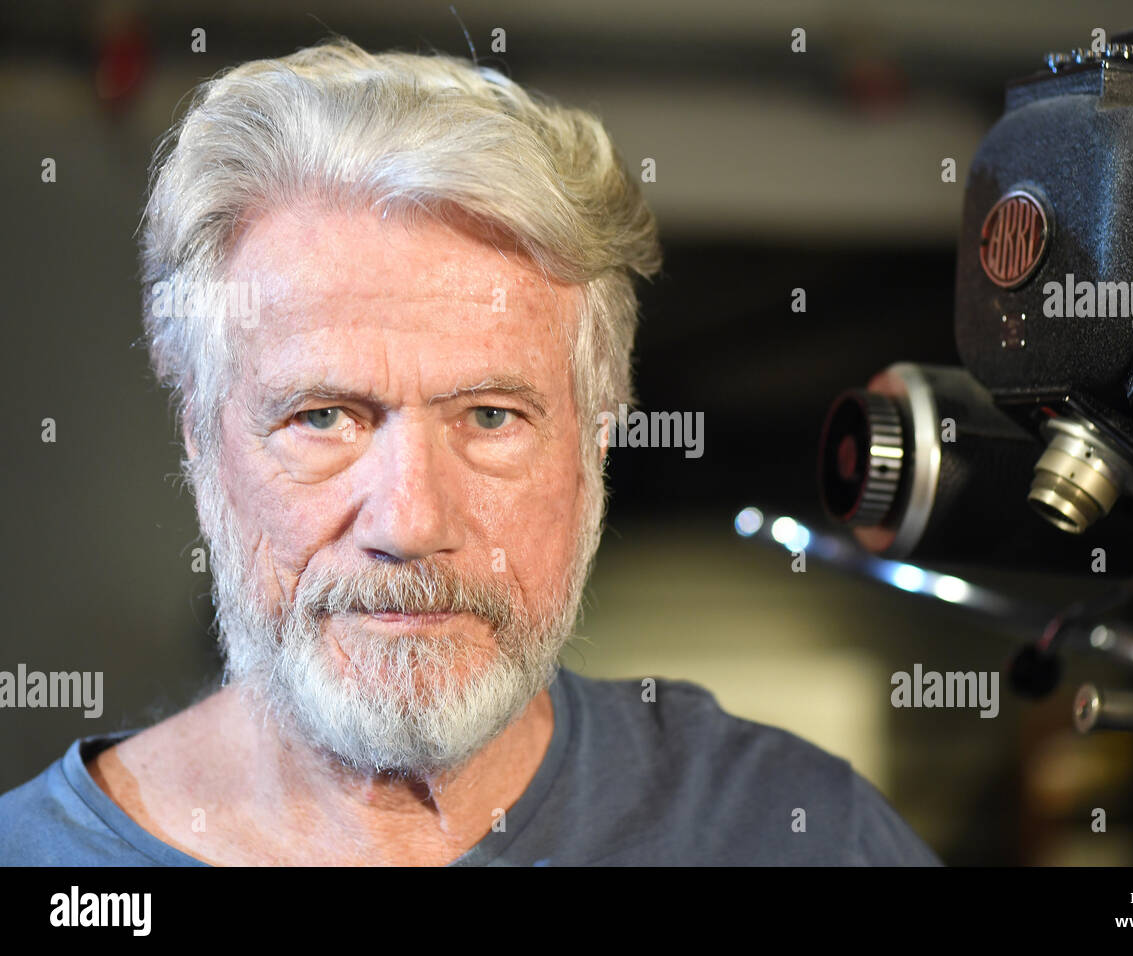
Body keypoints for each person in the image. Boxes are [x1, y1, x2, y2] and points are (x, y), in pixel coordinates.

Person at [0, 40, 939, 866]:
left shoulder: (792, 831)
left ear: (597, 439)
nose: (411, 522)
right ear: (201, 444)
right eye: (324, 417)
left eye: (490, 417)